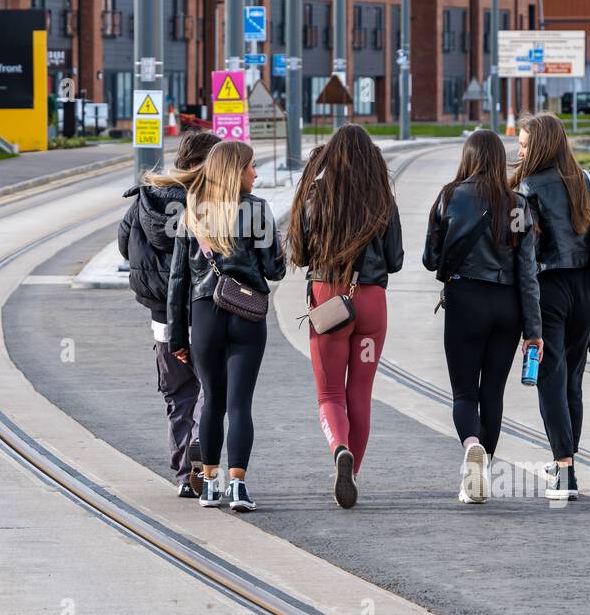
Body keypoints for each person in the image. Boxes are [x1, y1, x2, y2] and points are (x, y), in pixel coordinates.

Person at [285, 125, 402, 509]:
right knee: (361, 395)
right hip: (370, 301)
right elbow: (396, 260)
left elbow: (300, 256)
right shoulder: (383, 198)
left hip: (328, 300)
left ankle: (339, 450)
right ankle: (352, 476)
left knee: (330, 393)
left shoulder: (316, 196)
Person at [424, 129, 542, 504]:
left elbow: (431, 259)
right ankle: (483, 468)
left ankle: (470, 445)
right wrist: (533, 329)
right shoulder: (519, 206)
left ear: (469, 157)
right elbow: (528, 272)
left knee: (464, 392)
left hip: (465, 299)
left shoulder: (448, 197)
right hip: (507, 306)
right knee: (492, 393)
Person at [166, 140, 285, 513]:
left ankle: (209, 486)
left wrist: (177, 336)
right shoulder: (258, 210)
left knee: (212, 401)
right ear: (236, 171)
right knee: (240, 404)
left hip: (203, 314)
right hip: (246, 311)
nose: (255, 173)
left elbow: (178, 281)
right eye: (251, 167)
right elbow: (274, 269)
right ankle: (238, 486)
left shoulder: (193, 213)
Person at [118, 131, 221, 498]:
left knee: (177, 394)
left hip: (163, 319)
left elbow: (124, 245)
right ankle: (201, 449)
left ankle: (183, 475)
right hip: (205, 313)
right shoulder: (210, 202)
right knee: (213, 391)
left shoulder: (145, 198)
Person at [511, 113, 590, 502]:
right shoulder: (588, 181)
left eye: (525, 143)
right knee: (573, 380)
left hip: (548, 288)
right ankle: (568, 464)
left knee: (550, 378)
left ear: (542, 146)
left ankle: (563, 472)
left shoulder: (527, 189)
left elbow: (520, 248)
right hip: (588, 288)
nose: (519, 149)